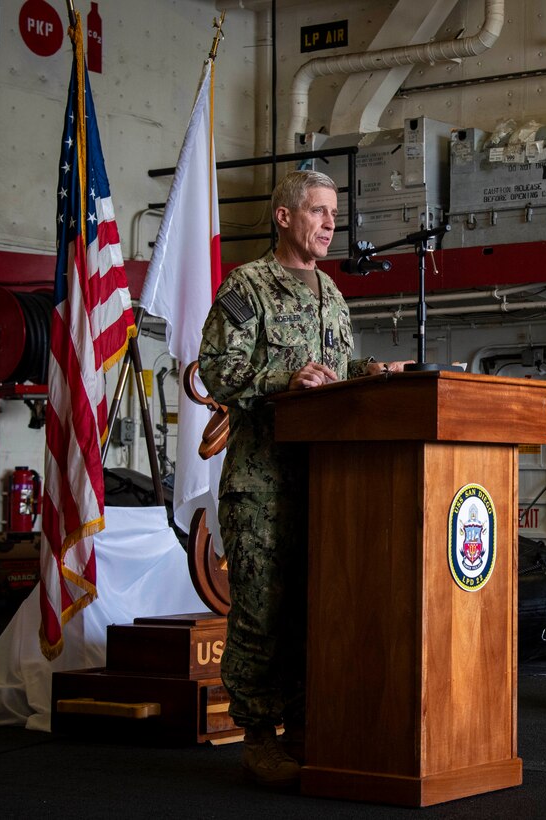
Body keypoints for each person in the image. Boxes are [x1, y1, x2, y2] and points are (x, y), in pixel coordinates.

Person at [198, 170, 406, 787]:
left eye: (333, 213)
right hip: (263, 484)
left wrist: (371, 372)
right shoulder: (249, 285)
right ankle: (258, 736)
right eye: (317, 211)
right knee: (263, 613)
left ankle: (308, 727)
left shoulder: (333, 295)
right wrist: (280, 383)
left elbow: (332, 371)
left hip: (327, 483)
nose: (329, 223)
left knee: (319, 609)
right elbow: (216, 369)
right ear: (284, 217)